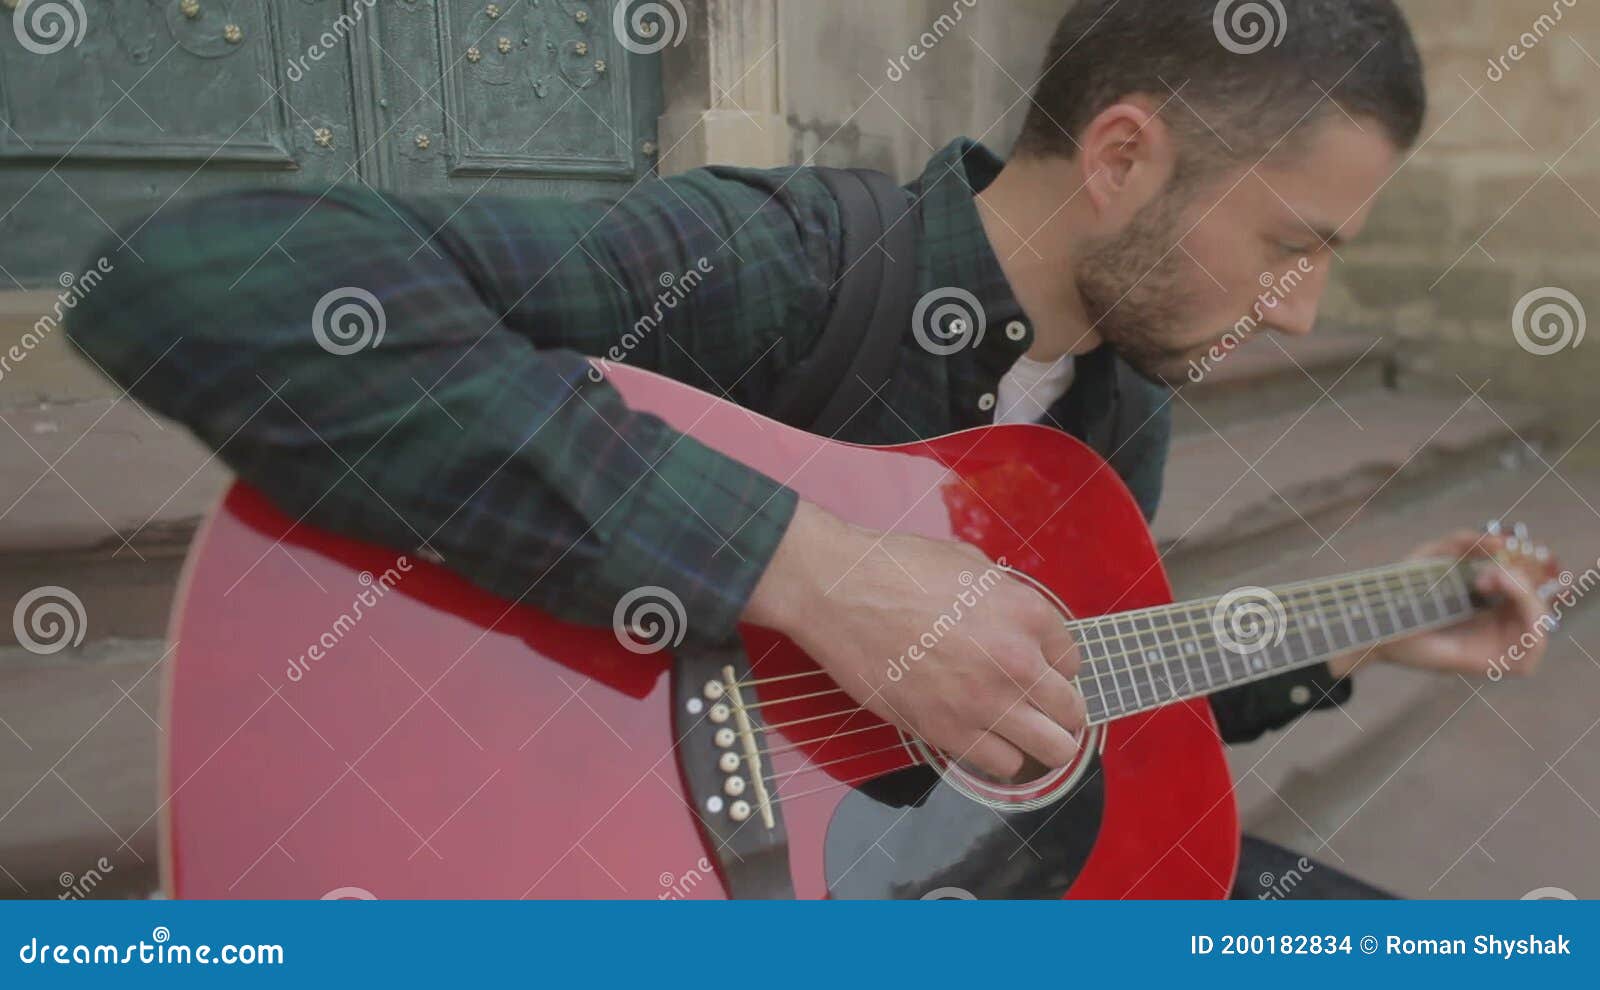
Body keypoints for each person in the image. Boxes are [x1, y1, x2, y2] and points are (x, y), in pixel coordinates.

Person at [67, 0, 1555, 898]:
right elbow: (203, 280)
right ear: (1121, 158)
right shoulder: (777, 264)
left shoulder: (1122, 405)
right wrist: (812, 570)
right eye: (1292, 247)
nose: (1301, 311)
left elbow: (1066, 702)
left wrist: (1374, 630)